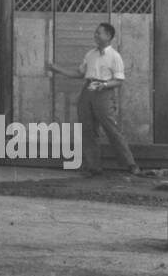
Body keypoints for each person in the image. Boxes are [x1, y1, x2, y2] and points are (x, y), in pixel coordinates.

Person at [46, 22, 142, 177]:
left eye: (99, 33)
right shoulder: (90, 54)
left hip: (104, 92)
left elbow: (119, 81)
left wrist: (103, 85)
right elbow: (79, 73)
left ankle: (130, 164)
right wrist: (57, 69)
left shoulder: (114, 56)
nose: (95, 35)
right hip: (88, 90)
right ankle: (94, 166)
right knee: (88, 128)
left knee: (111, 128)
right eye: (95, 33)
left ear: (108, 36)